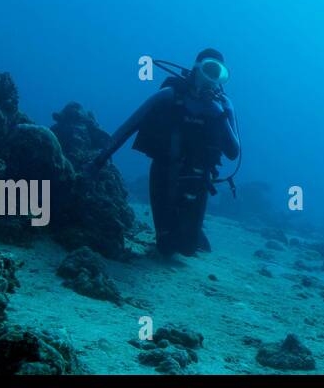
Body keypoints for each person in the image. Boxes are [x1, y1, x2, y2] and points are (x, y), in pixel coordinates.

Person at [91, 49, 240, 257]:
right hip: (165, 172)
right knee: (166, 247)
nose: (211, 78)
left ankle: (192, 231)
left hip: (198, 179)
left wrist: (220, 114)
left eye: (217, 73)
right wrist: (97, 162)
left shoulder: (224, 106)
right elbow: (129, 126)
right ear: (196, 69)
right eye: (208, 69)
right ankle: (175, 231)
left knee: (187, 250)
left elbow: (234, 152)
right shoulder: (170, 94)